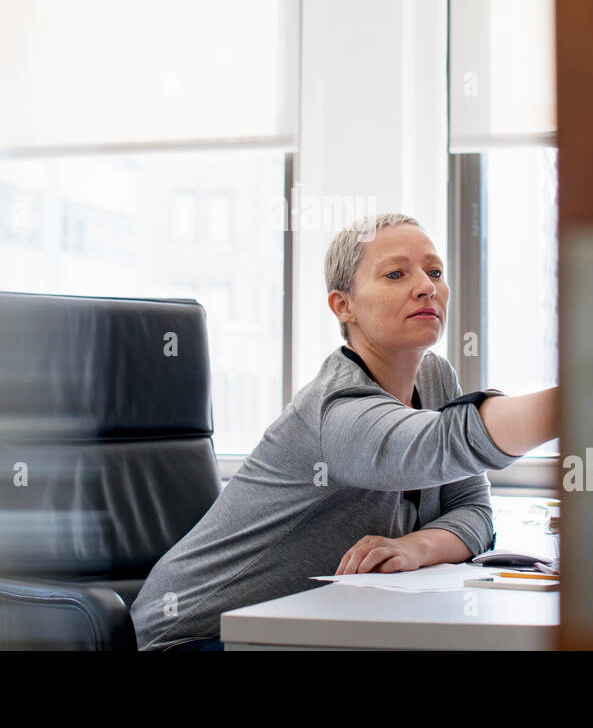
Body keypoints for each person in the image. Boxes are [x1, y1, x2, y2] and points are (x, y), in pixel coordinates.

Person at [129, 212, 558, 650]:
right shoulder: (336, 408)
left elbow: (474, 510)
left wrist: (416, 547)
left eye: (434, 271)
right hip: (195, 635)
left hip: (303, 629)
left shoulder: (436, 378)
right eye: (395, 273)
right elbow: (440, 445)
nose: (427, 286)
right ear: (343, 305)